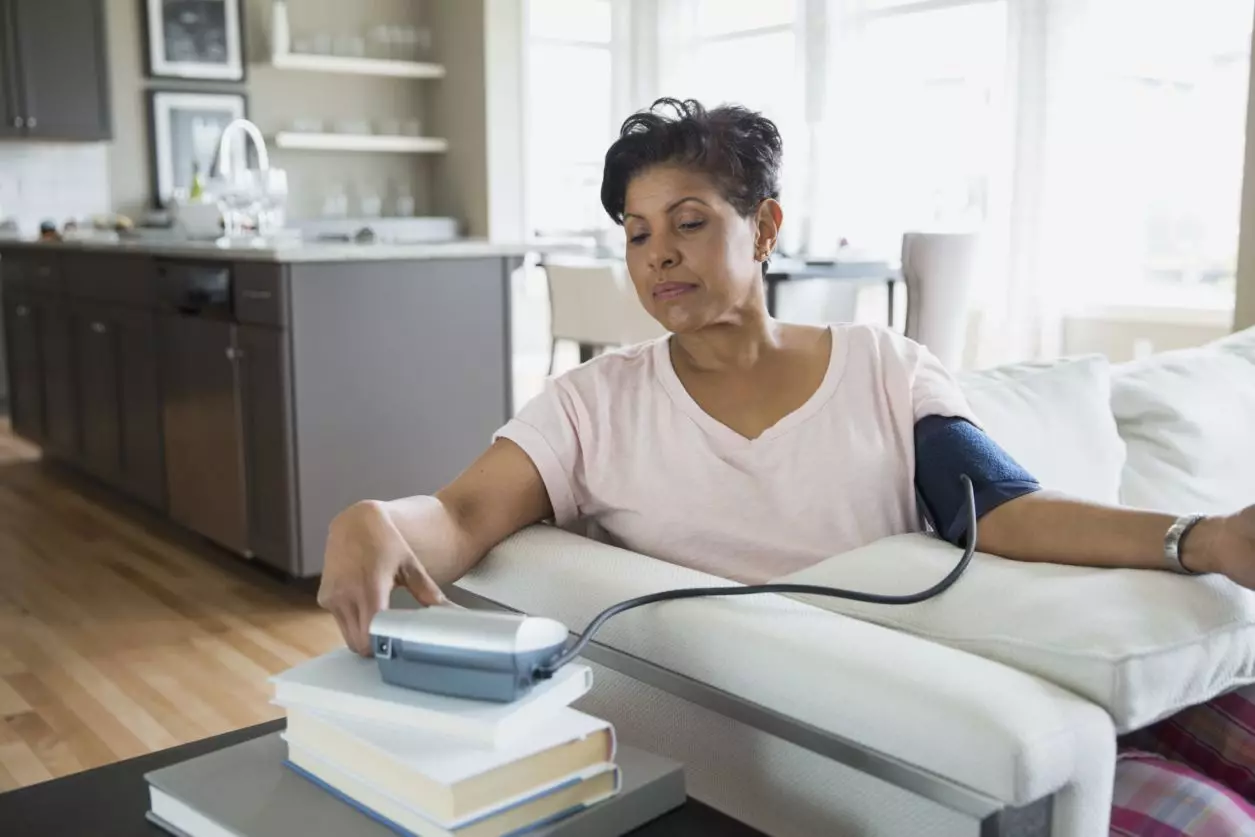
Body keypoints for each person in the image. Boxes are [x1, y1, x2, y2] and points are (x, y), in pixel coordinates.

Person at [319, 99, 1255, 835]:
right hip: (859, 746)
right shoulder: (592, 402)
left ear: (763, 228)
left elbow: (1002, 508)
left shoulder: (882, 366)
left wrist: (1201, 538)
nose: (658, 256)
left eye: (686, 221)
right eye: (637, 233)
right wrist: (382, 519)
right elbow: (464, 515)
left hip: (997, 696)